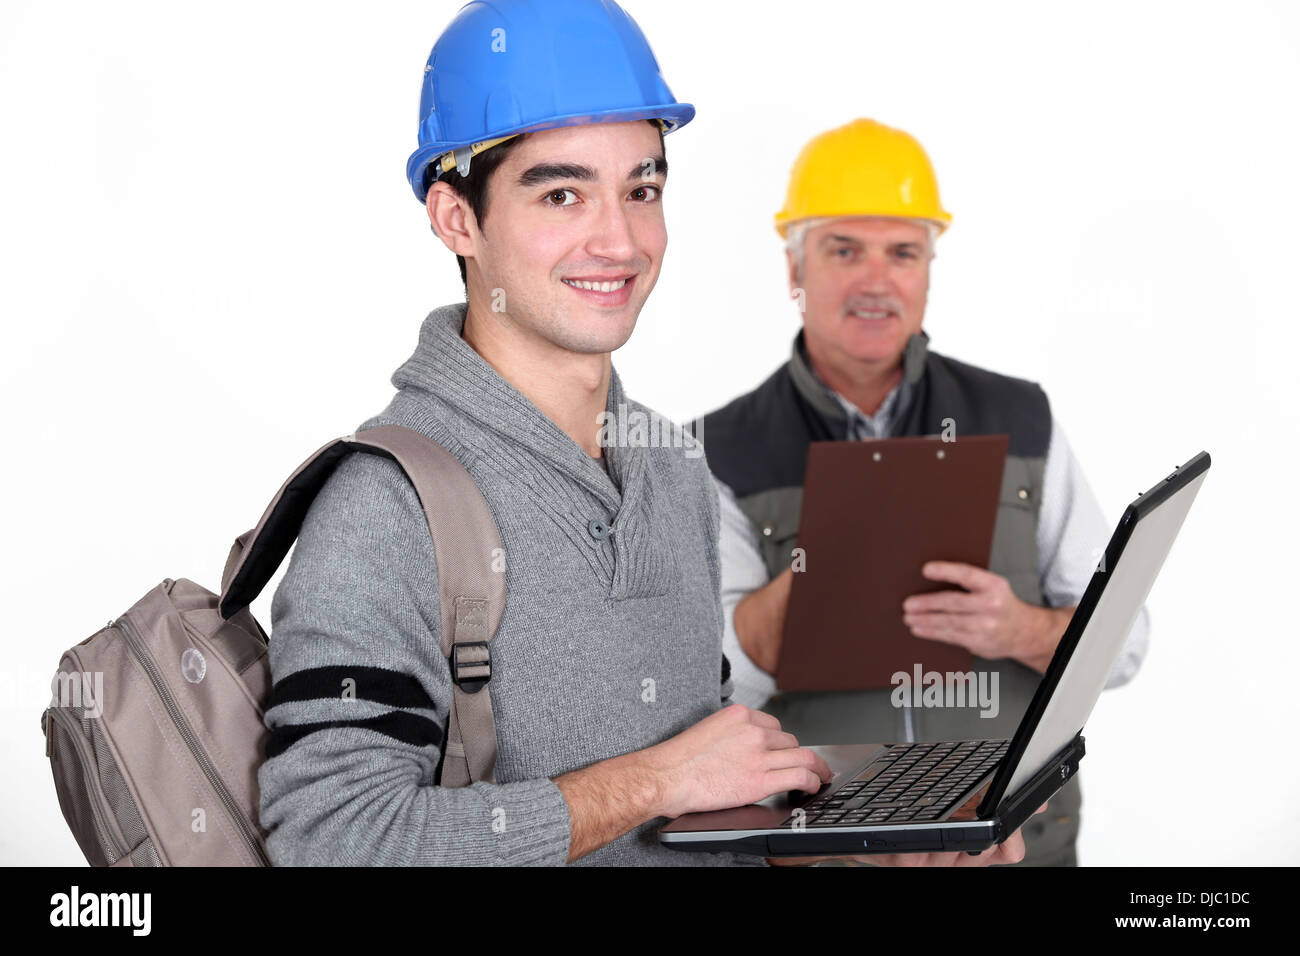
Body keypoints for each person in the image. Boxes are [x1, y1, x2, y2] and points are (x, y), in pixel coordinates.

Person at [257, 3, 1034, 866]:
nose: (620, 239)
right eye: (562, 193)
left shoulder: (673, 467)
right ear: (456, 219)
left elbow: (714, 805)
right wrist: (653, 782)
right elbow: (331, 841)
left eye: (642, 189)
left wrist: (874, 845)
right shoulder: (387, 504)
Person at [702, 118, 1149, 867]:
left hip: (1014, 848)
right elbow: (710, 691)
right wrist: (803, 598)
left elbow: (1126, 647)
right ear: (795, 270)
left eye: (902, 253)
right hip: (833, 855)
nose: (876, 280)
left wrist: (1020, 631)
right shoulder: (720, 453)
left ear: (929, 271)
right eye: (844, 250)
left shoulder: (1022, 420)